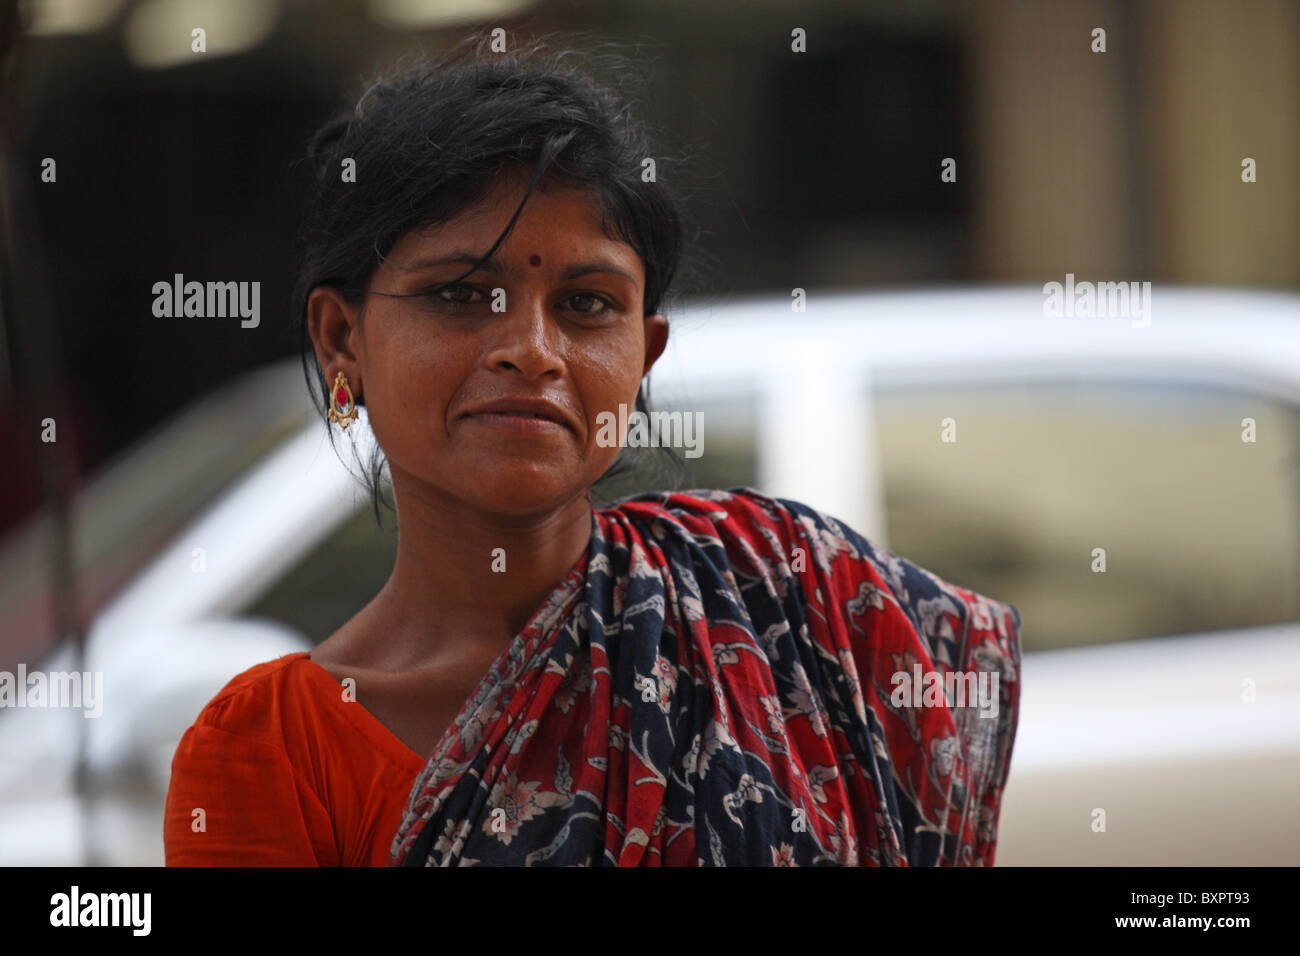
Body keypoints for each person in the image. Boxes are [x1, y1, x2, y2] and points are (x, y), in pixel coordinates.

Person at [163, 34, 1022, 867]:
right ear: (342, 338)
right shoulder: (273, 750)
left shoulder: (788, 597)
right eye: (462, 294)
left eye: (586, 304)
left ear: (643, 357)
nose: (532, 349)